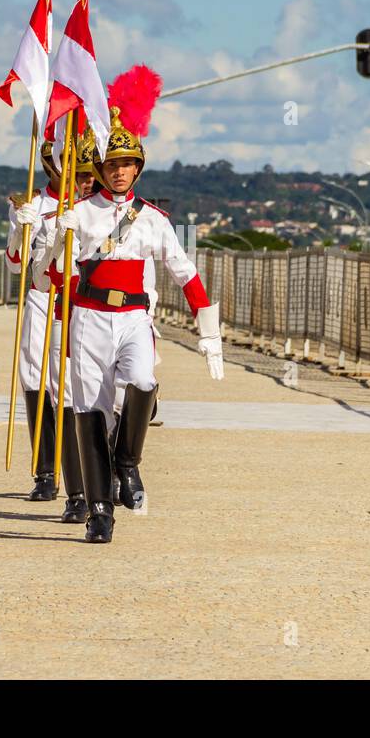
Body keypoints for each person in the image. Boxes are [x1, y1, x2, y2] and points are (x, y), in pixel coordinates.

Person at [37, 64, 224, 544]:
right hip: (90, 317)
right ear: (99, 170)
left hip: (134, 317)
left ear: (137, 169)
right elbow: (46, 279)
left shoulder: (154, 220)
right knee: (91, 410)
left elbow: (186, 274)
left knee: (143, 380)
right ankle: (100, 511)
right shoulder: (76, 213)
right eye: (112, 165)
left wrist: (210, 335)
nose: (119, 172)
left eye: (127, 165)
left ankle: (128, 463)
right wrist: (52, 247)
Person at [4, 137, 95, 521]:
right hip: (44, 295)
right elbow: (14, 264)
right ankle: (45, 470)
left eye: (90, 173)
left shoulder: (95, 208)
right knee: (32, 375)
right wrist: (17, 231)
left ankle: (87, 480)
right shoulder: (33, 205)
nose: (85, 181)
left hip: (81, 300)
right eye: (78, 171)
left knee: (70, 387)